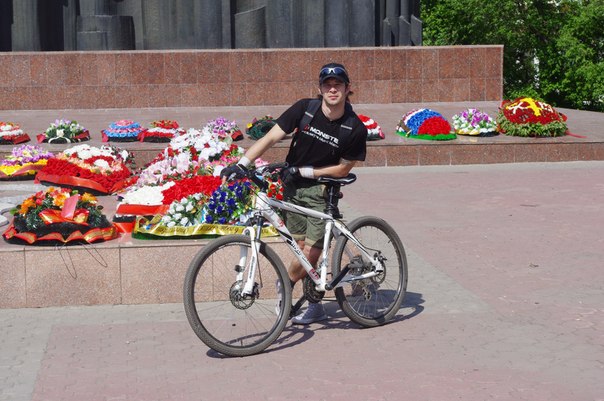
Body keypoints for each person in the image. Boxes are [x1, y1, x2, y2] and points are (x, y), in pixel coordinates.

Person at [221, 62, 368, 324]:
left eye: (338, 85)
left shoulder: (354, 127)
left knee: (310, 253)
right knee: (300, 250)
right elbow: (270, 138)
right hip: (292, 187)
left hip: (322, 189)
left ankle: (285, 286)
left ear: (348, 89)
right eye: (327, 85)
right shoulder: (305, 109)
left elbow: (344, 168)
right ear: (319, 89)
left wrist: (307, 172)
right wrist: (242, 164)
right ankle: (316, 305)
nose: (332, 89)